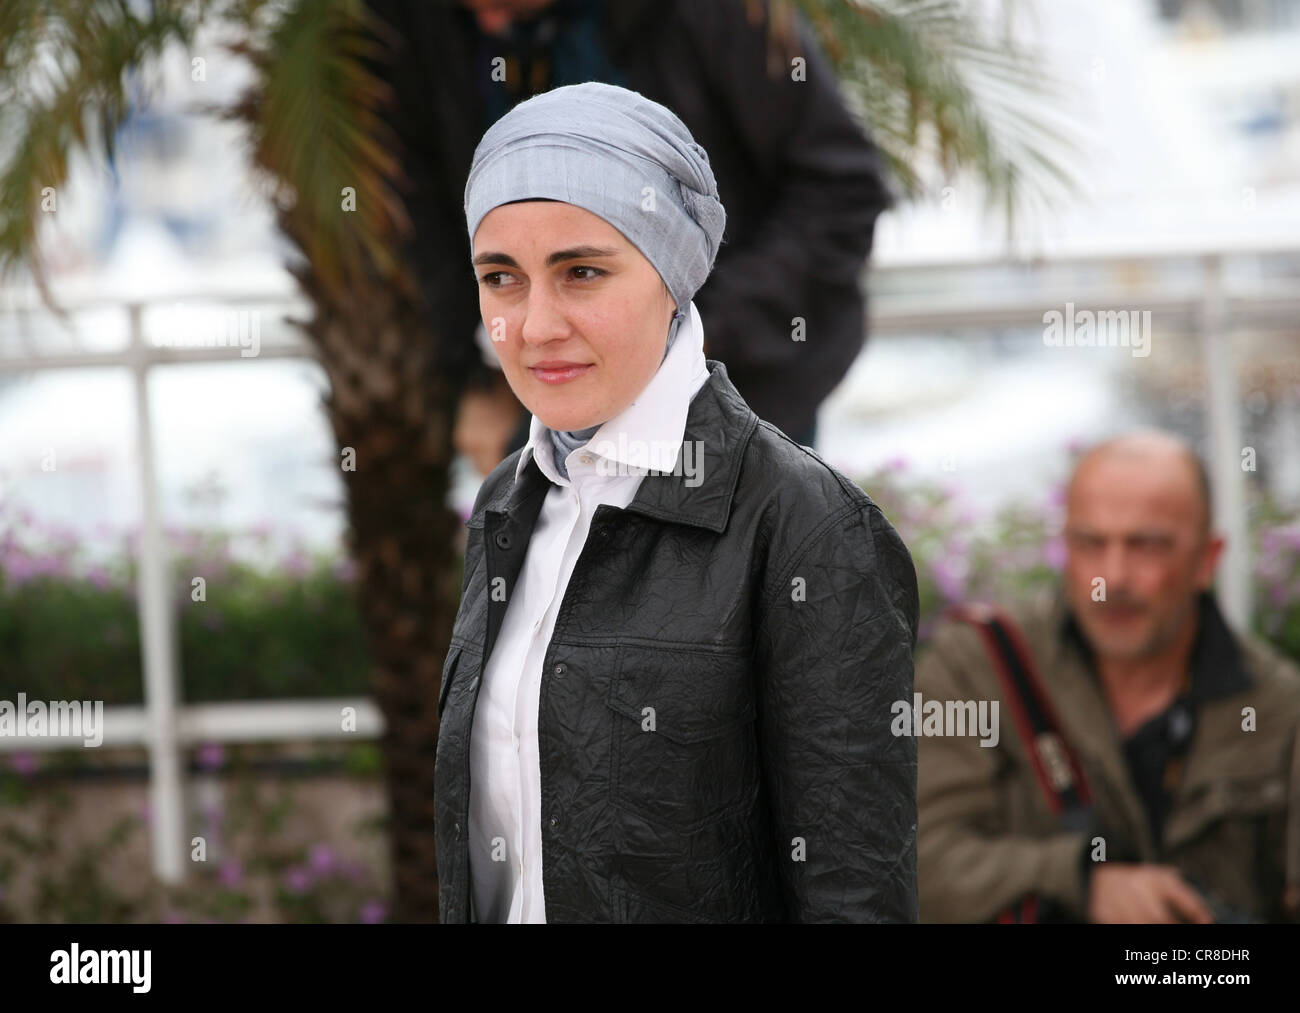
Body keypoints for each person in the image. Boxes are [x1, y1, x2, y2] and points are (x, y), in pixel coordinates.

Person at [432, 82, 919, 923]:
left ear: (673, 275)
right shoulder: (507, 501)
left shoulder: (804, 527)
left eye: (581, 272)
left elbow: (856, 896)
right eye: (501, 277)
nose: (536, 324)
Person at [366, 0, 892, 466]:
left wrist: (689, 339)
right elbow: (424, 221)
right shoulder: (416, 21)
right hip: (543, 406)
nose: (485, 15)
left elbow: (840, 188)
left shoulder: (714, 14)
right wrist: (478, 378)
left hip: (736, 384)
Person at [916, 431, 1300, 923]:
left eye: (1146, 545)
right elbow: (911, 860)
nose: (1112, 578)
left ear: (1206, 560)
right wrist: (1079, 882)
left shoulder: (1276, 708)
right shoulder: (975, 666)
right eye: (1090, 543)